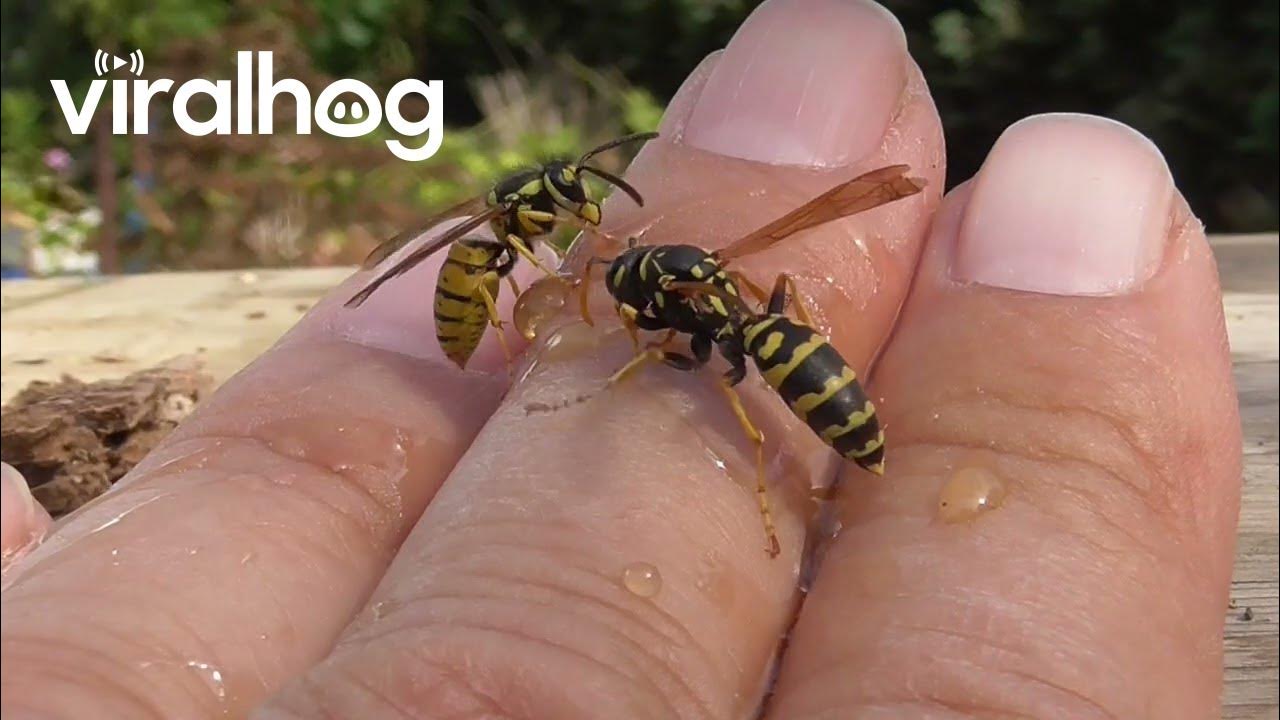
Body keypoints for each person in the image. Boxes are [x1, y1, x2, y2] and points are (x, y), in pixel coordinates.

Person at [0, 1, 1242, 717]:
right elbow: (638, 304)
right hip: (691, 333)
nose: (589, 223)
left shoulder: (659, 303)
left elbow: (664, 342)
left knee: (742, 393)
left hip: (765, 361)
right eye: (577, 213)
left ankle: (783, 451)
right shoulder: (613, 269)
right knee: (742, 371)